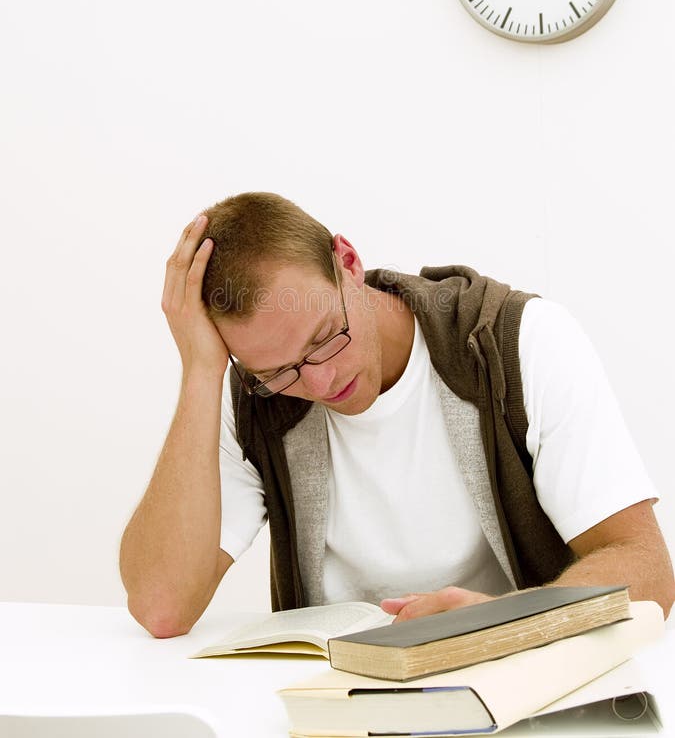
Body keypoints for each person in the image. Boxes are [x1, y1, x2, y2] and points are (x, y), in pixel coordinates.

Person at [119, 193, 674, 638]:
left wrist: (503, 620)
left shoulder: (519, 342)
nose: (319, 382)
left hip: (513, 686)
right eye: (282, 371)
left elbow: (646, 569)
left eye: (324, 340)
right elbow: (162, 606)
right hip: (334, 706)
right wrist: (200, 372)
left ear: (349, 263)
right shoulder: (255, 393)